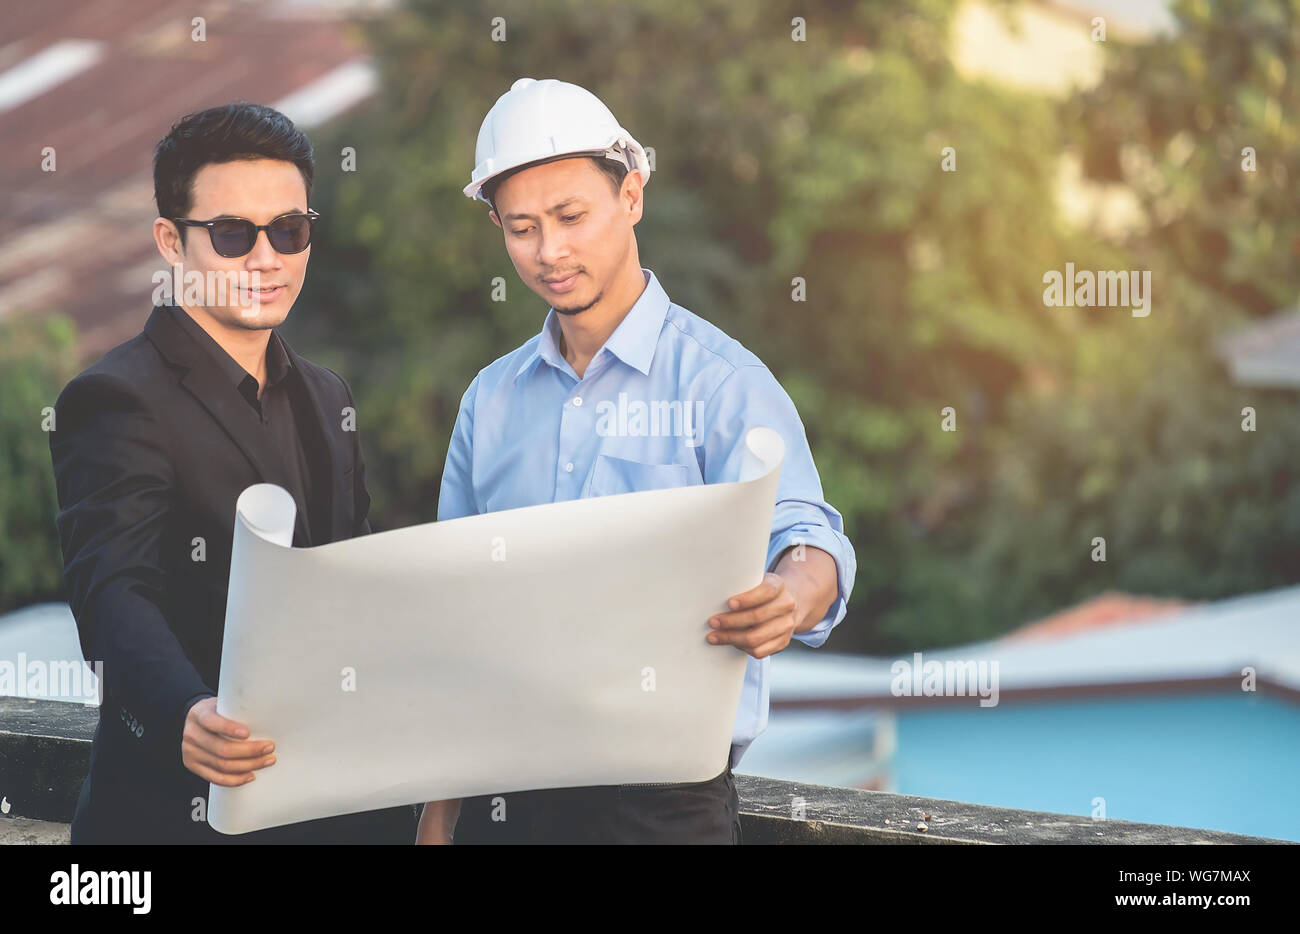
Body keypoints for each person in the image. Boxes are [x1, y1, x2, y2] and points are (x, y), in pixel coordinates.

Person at [416, 78, 856, 845]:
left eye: (571, 217)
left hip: (662, 811)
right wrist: (440, 812)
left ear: (633, 196)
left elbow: (807, 536)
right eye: (521, 228)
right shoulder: (489, 404)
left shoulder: (723, 384)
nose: (549, 251)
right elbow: (458, 620)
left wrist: (791, 593)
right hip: (505, 799)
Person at [49, 102, 416, 844]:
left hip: (327, 808)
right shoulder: (116, 397)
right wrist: (184, 709)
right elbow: (113, 589)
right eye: (231, 234)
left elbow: (354, 578)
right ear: (170, 241)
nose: (265, 258)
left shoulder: (327, 394)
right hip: (172, 816)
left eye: (289, 230)